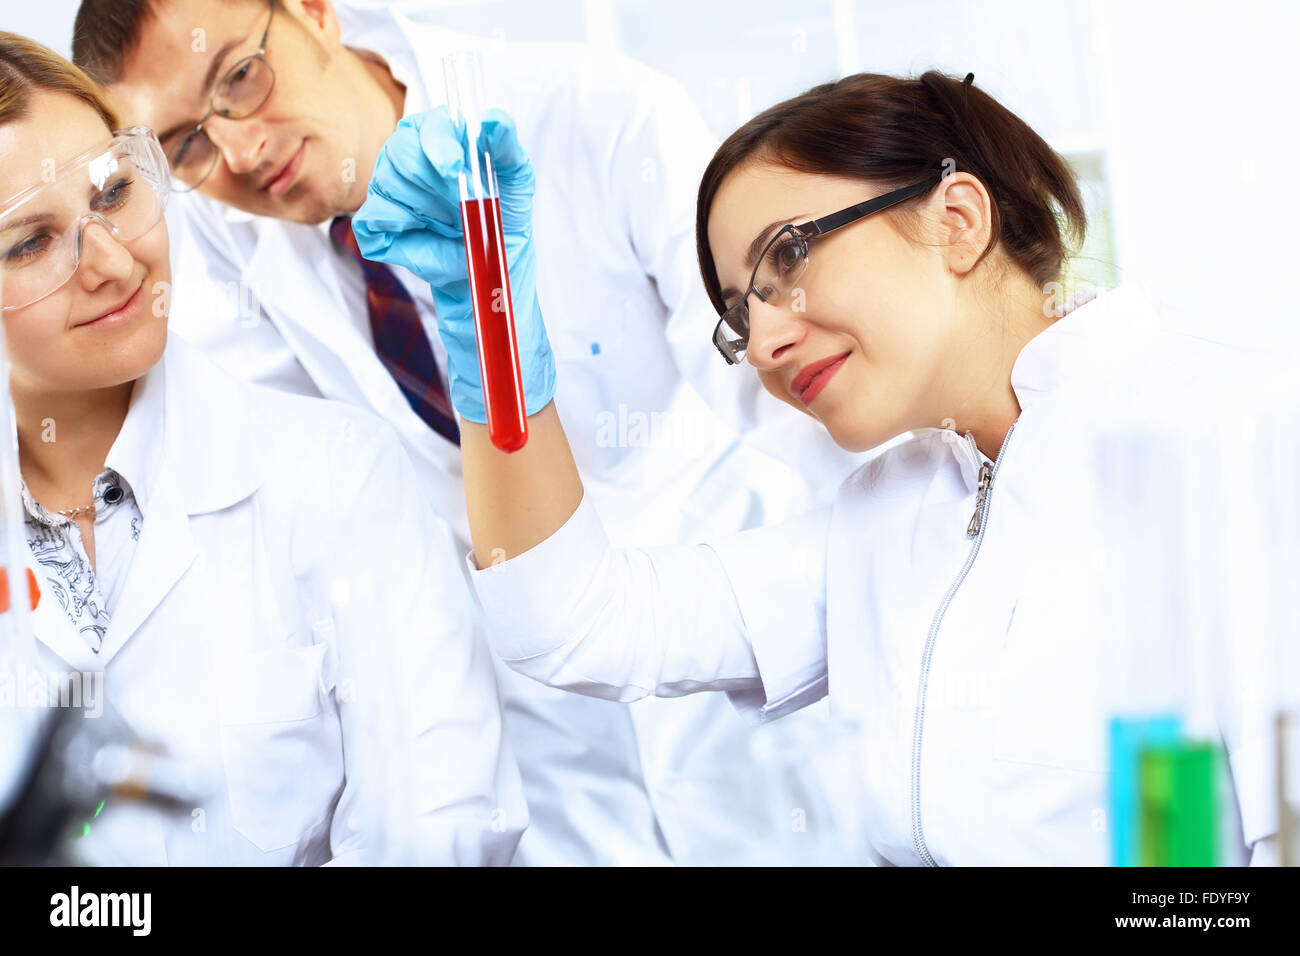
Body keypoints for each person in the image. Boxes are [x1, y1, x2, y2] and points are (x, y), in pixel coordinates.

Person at [353, 70, 1291, 865]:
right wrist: (486, 318)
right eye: (737, 310)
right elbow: (574, 625)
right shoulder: (894, 510)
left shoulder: (1229, 438)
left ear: (957, 219)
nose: (761, 341)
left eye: (788, 255)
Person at [71, 0, 869, 864]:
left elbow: (795, 402)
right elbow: (312, 505)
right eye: (186, 143)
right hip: (536, 712)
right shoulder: (225, 256)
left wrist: (907, 578)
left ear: (312, 13)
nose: (240, 151)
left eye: (239, 76)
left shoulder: (593, 113)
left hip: (735, 628)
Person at [0, 33, 525, 865]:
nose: (109, 261)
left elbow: (438, 829)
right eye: (29, 242)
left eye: (113, 192)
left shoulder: (337, 475)